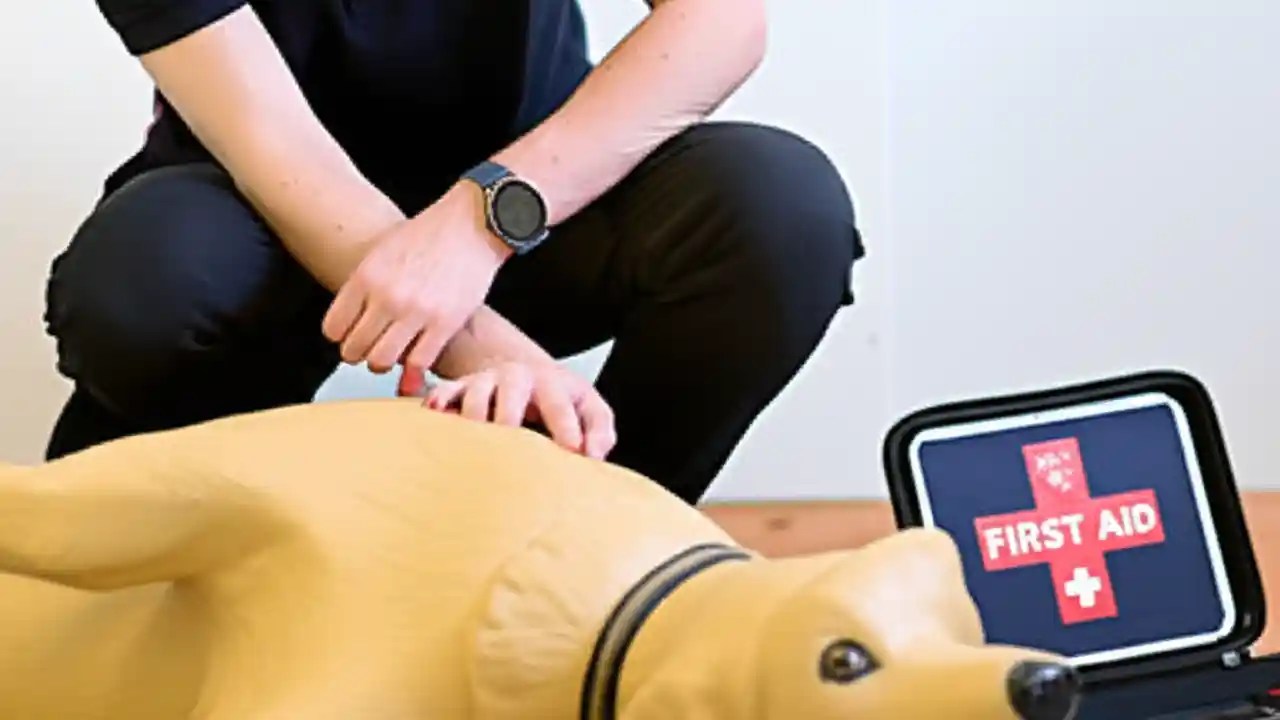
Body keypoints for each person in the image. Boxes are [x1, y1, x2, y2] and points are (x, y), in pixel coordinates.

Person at [42, 0, 863, 505]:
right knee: (142, 288)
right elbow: (276, 148)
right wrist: (491, 352)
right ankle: (232, 558)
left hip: (532, 212)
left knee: (780, 206)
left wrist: (480, 223)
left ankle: (604, 538)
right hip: (265, 217)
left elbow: (721, 20)